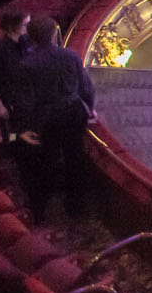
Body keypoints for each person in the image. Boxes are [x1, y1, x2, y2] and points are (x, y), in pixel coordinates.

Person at [15, 15, 97, 222]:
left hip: (46, 118)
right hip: (74, 112)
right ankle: (76, 208)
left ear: (31, 37)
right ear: (54, 34)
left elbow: (25, 101)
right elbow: (86, 86)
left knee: (45, 161)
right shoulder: (71, 55)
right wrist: (90, 108)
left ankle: (40, 211)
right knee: (75, 158)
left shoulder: (26, 64)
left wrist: (23, 127)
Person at [0, 9, 30, 146]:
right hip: (8, 98)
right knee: (12, 135)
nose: (28, 28)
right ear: (11, 27)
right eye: (25, 25)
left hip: (24, 97)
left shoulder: (25, 42)